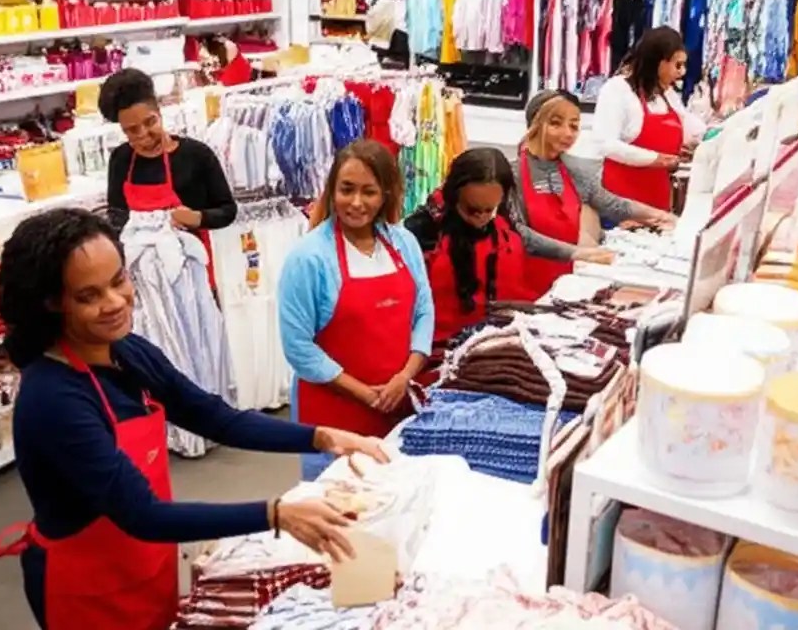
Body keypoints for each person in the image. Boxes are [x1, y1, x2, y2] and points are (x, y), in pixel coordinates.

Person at [0, 207, 387, 630]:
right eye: (88, 296)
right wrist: (276, 514)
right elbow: (141, 513)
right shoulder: (55, 399)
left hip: (145, 562)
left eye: (118, 280)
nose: (115, 302)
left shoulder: (128, 352)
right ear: (50, 304)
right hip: (87, 588)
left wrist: (322, 437)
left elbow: (213, 418)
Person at [279, 140, 433, 481]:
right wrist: (366, 393)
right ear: (332, 189)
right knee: (340, 508)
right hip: (335, 411)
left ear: (386, 195)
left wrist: (404, 377)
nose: (357, 202)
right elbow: (298, 347)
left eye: (369, 192)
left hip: (396, 404)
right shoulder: (309, 258)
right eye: (346, 190)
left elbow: (424, 310)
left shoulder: (403, 242)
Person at [513, 89, 676, 296]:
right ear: (535, 125)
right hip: (522, 287)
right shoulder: (513, 174)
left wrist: (663, 217)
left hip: (561, 284)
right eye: (556, 123)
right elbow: (519, 234)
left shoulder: (573, 171)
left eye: (574, 126)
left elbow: (611, 203)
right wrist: (578, 253)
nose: (568, 133)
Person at [404, 147, 537, 345]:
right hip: (432, 353)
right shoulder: (419, 232)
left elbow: (530, 242)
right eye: (472, 210)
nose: (481, 218)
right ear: (454, 195)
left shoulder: (505, 226)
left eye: (489, 210)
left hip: (498, 344)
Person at [571, 26, 707, 212]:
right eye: (677, 65)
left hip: (658, 201)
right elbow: (605, 144)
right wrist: (656, 159)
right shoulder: (617, 90)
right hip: (620, 201)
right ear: (658, 62)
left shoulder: (667, 95)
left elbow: (692, 129)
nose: (682, 72)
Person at [101, 67, 237, 236]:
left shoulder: (197, 155)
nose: (144, 134)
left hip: (190, 258)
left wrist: (197, 217)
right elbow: (116, 213)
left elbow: (228, 211)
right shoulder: (121, 159)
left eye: (150, 122)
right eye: (132, 130)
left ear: (159, 112)